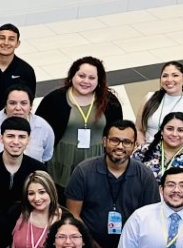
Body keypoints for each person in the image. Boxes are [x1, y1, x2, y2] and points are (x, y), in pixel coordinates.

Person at [63, 119, 156, 248]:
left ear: (134, 145)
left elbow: (150, 221)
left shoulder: (145, 176)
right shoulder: (84, 171)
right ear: (104, 141)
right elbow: (73, 216)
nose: (120, 146)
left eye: (126, 142)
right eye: (115, 140)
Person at [33, 56, 123, 188]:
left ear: (99, 81)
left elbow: (118, 131)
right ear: (72, 76)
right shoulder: (54, 100)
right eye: (81, 76)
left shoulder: (110, 101)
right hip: (62, 160)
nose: (86, 81)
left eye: (92, 78)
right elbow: (38, 130)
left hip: (97, 159)